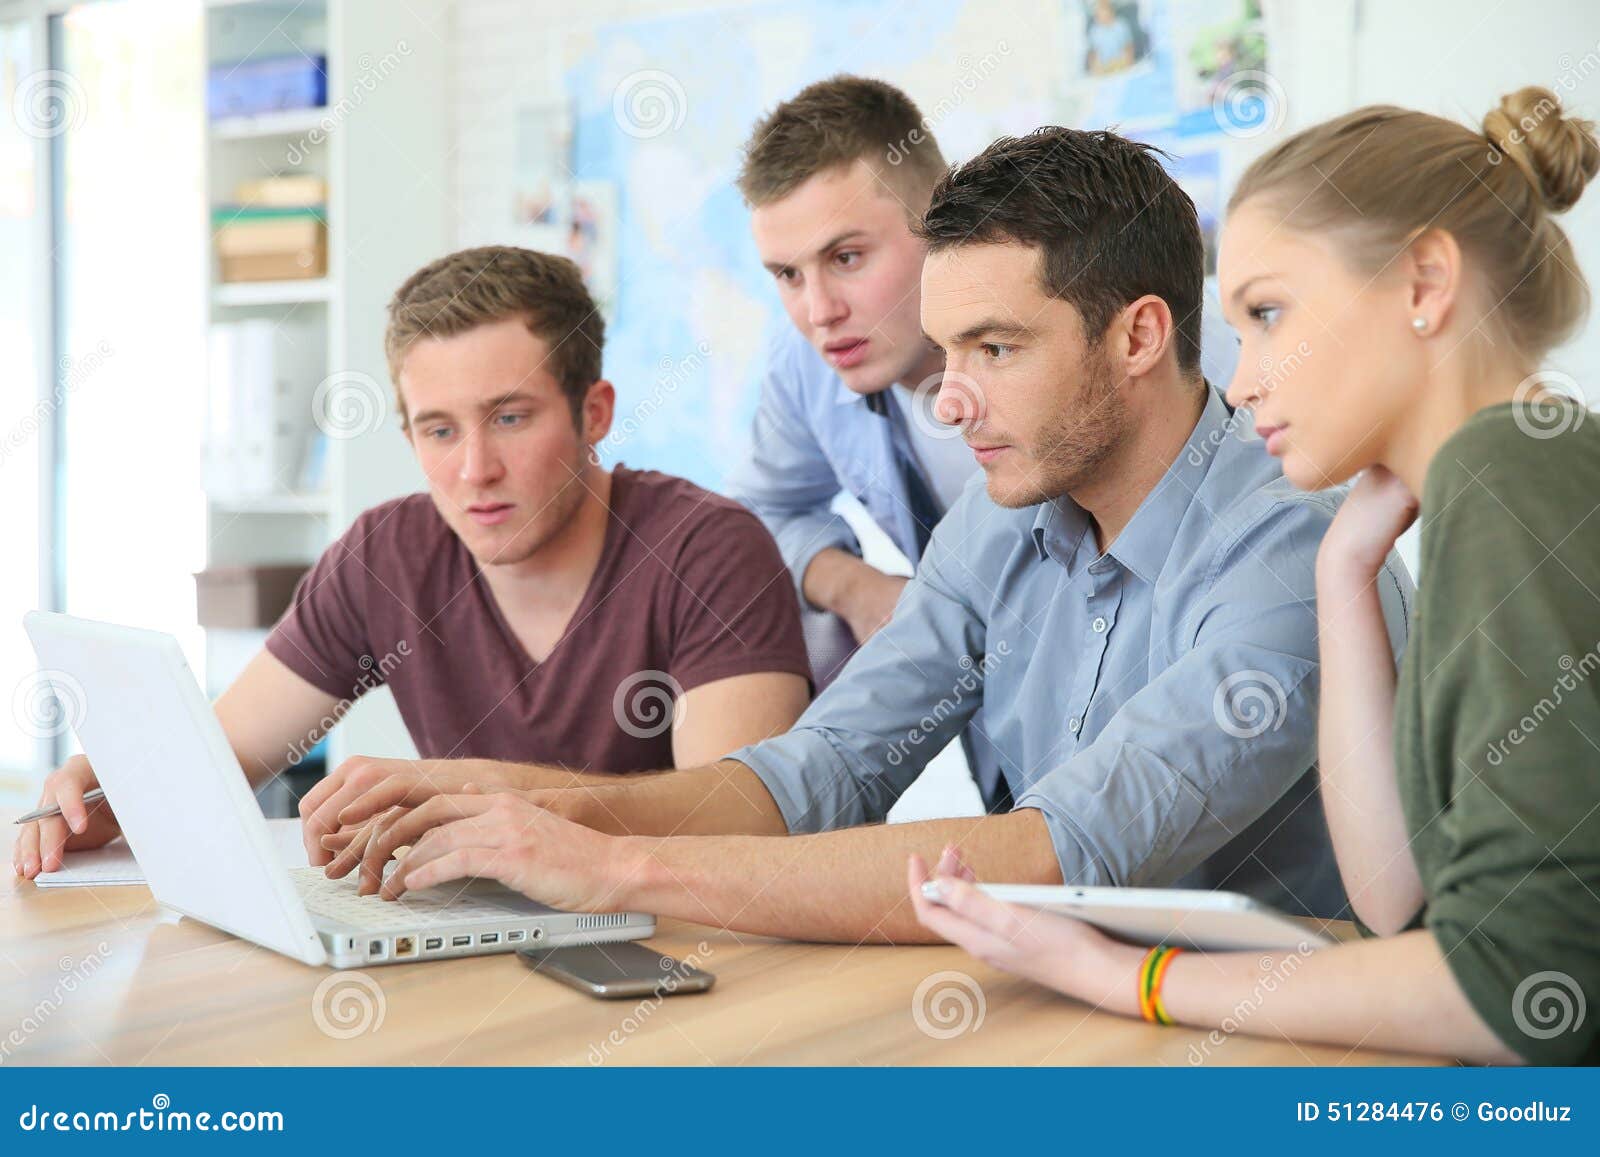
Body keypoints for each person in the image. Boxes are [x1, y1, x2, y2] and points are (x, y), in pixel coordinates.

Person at [301, 128, 1411, 942]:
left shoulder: (1285, 550)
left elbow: (1057, 855)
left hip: (1271, 1043)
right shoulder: (1001, 519)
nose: (951, 400)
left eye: (995, 348)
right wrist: (525, 802)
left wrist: (617, 866)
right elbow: (819, 771)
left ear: (1137, 337)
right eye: (948, 350)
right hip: (1072, 997)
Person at [910, 87, 1600, 1066]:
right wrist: (1343, 569)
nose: (1241, 379)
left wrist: (1127, 976)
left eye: (1270, 314)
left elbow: (1520, 993)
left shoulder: (1516, 476)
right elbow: (1394, 898)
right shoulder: (1475, 489)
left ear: (1424, 282)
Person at [13, 246, 811, 881]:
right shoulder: (385, 556)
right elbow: (220, 758)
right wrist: (119, 790)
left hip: (673, 950)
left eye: (510, 417)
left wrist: (490, 792)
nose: (474, 469)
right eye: (439, 430)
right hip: (476, 936)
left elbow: (740, 817)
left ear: (593, 413)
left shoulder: (710, 549)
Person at [725, 75, 1239, 809]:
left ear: (939, 226)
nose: (817, 312)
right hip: (1010, 735)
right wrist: (858, 590)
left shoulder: (1193, 363)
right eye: (786, 275)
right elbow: (759, 517)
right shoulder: (808, 367)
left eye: (847, 258)